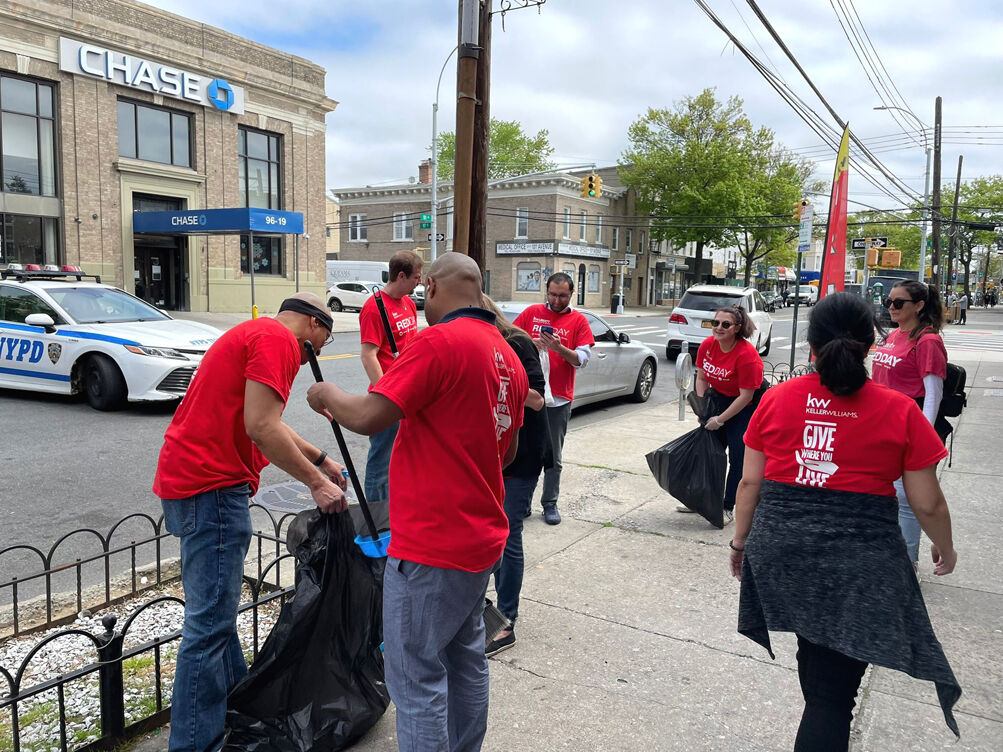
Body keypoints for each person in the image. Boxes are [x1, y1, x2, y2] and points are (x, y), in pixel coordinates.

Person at [305, 253, 528, 752]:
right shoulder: (507, 354)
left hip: (432, 543)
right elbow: (509, 449)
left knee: (414, 674)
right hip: (480, 540)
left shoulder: (437, 342)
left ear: (433, 287)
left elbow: (368, 415)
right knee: (464, 658)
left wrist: (326, 393)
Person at [729, 293, 960, 752]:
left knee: (818, 668)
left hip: (784, 551)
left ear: (811, 346)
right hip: (860, 564)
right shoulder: (899, 409)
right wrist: (945, 547)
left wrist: (740, 543)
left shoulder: (777, 398)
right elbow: (928, 503)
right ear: (871, 344)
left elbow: (749, 483)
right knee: (832, 699)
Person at [153, 292, 348, 752]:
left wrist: (320, 459)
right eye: (321, 344)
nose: (316, 355)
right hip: (213, 489)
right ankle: (194, 745)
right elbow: (261, 426)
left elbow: (263, 419)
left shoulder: (254, 332)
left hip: (191, 483)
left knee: (215, 620)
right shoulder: (279, 340)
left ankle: (239, 713)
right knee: (207, 628)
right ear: (314, 325)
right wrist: (316, 484)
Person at [481, 294, 552, 657]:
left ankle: (506, 619)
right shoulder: (475, 346)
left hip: (522, 453)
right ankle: (483, 608)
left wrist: (499, 382)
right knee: (486, 532)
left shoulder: (518, 343)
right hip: (490, 453)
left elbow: (537, 398)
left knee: (508, 532)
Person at [871, 281, 948, 571]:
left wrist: (920, 438)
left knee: (907, 498)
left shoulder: (928, 341)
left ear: (919, 306)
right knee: (886, 495)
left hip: (909, 427)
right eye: (888, 302)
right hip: (882, 426)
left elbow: (933, 395)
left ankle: (907, 563)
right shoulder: (893, 335)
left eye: (898, 303)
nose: (891, 307)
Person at [513, 272, 594, 525]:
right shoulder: (531, 313)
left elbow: (582, 359)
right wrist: (530, 343)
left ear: (572, 294)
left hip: (558, 399)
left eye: (562, 296)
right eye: (552, 294)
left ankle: (550, 503)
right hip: (529, 396)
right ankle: (522, 503)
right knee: (524, 452)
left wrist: (558, 348)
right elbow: (508, 341)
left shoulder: (578, 321)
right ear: (546, 292)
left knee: (552, 455)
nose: (557, 300)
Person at [687, 305, 763, 524]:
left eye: (725, 324)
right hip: (718, 399)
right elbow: (702, 378)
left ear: (737, 328)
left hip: (744, 407)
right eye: (716, 323)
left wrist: (720, 420)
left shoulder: (747, 355)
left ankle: (727, 506)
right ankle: (701, 499)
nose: (719, 328)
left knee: (738, 458)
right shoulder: (708, 345)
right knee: (708, 452)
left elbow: (746, 396)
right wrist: (703, 408)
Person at [358, 250, 423, 502]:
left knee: (403, 458)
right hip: (389, 398)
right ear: (401, 276)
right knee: (381, 462)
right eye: (416, 277)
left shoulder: (408, 304)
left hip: (408, 395)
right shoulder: (374, 308)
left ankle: (395, 507)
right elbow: (368, 355)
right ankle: (376, 514)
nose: (419, 282)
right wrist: (386, 394)